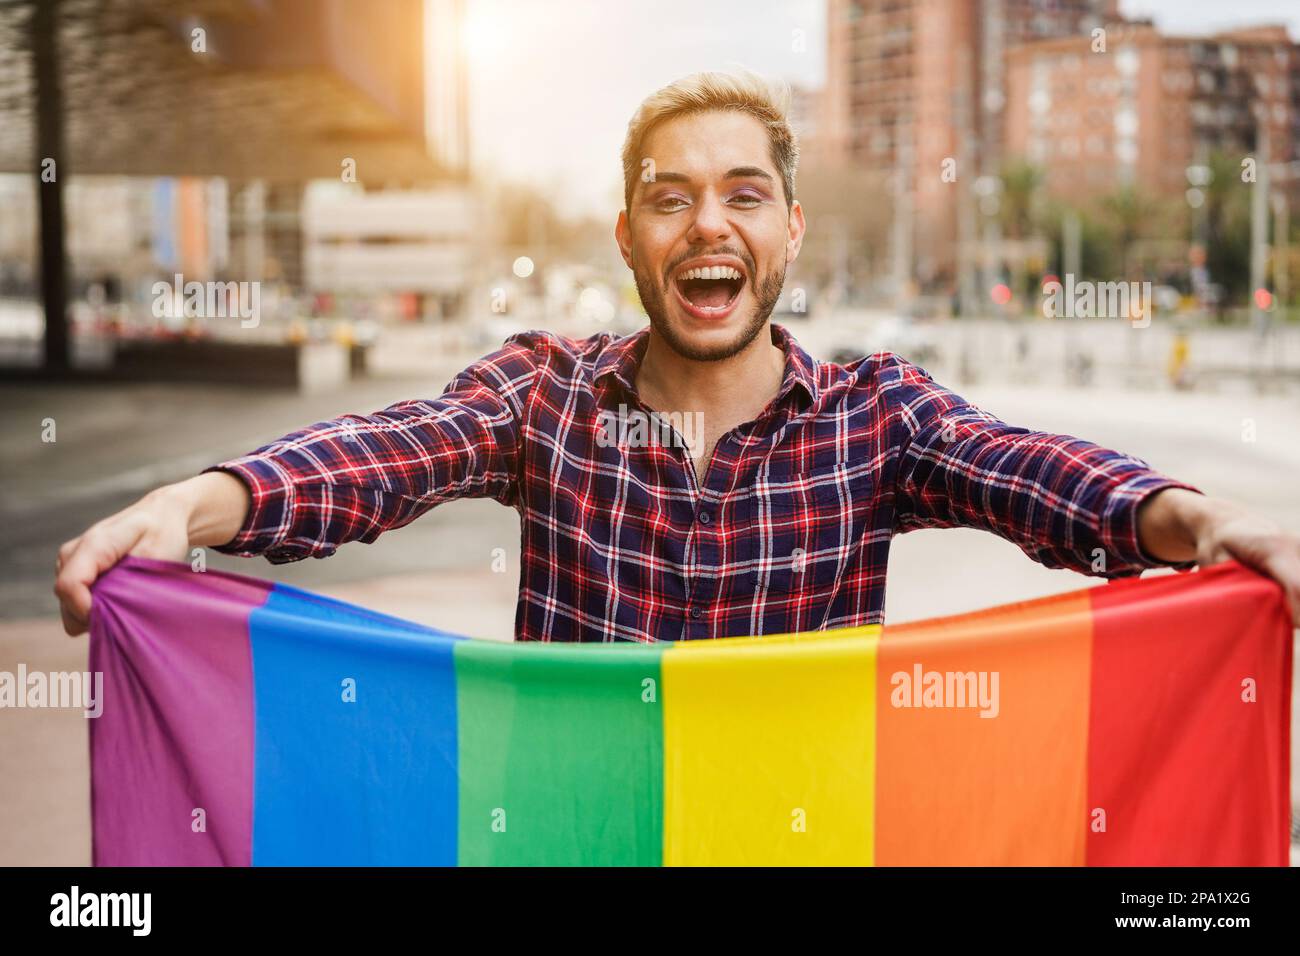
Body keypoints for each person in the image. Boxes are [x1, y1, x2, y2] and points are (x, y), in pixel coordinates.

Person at [55, 71, 1300, 642]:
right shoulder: (542, 392)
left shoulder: (876, 418)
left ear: (788, 231)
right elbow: (383, 454)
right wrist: (195, 504)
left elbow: (1032, 471)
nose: (709, 223)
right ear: (630, 238)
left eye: (745, 195)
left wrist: (1195, 518)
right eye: (672, 198)